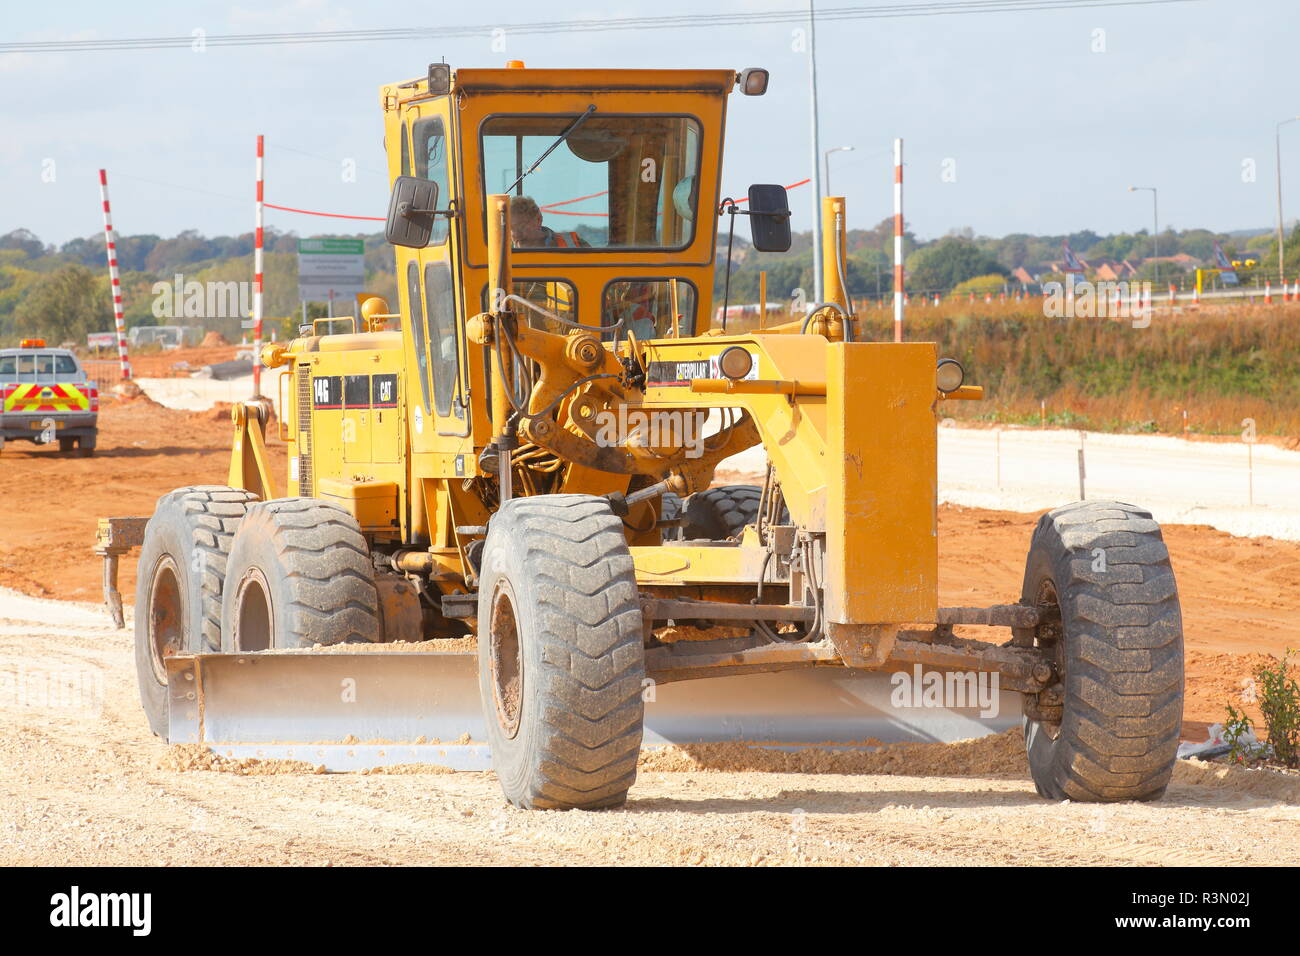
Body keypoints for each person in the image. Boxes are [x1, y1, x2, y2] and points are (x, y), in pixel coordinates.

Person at [509, 195, 586, 248]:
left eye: (522, 227)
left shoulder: (573, 244)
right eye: (511, 228)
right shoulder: (501, 255)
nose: (516, 234)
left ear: (538, 220)